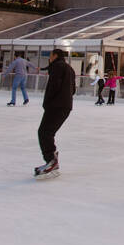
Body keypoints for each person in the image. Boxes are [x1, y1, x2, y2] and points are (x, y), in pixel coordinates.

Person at [36, 48, 76, 178]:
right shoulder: (69, 68)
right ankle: (51, 159)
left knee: (44, 132)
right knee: (47, 132)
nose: (49, 58)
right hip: (65, 106)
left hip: (56, 105)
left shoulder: (57, 68)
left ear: (55, 55)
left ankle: (51, 161)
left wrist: (47, 102)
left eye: (50, 55)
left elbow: (53, 86)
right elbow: (73, 89)